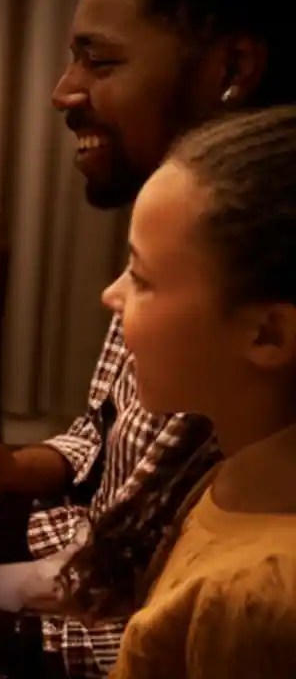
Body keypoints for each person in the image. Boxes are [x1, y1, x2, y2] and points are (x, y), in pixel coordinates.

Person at [0, 0, 296, 676]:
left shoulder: (245, 271)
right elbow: (101, 439)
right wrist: (11, 463)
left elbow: (173, 614)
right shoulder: (172, 226)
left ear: (233, 66)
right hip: (76, 552)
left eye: (98, 60)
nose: (62, 90)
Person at [91, 107, 296, 678]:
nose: (112, 295)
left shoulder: (256, 600)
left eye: (141, 277)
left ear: (267, 334)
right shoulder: (231, 472)